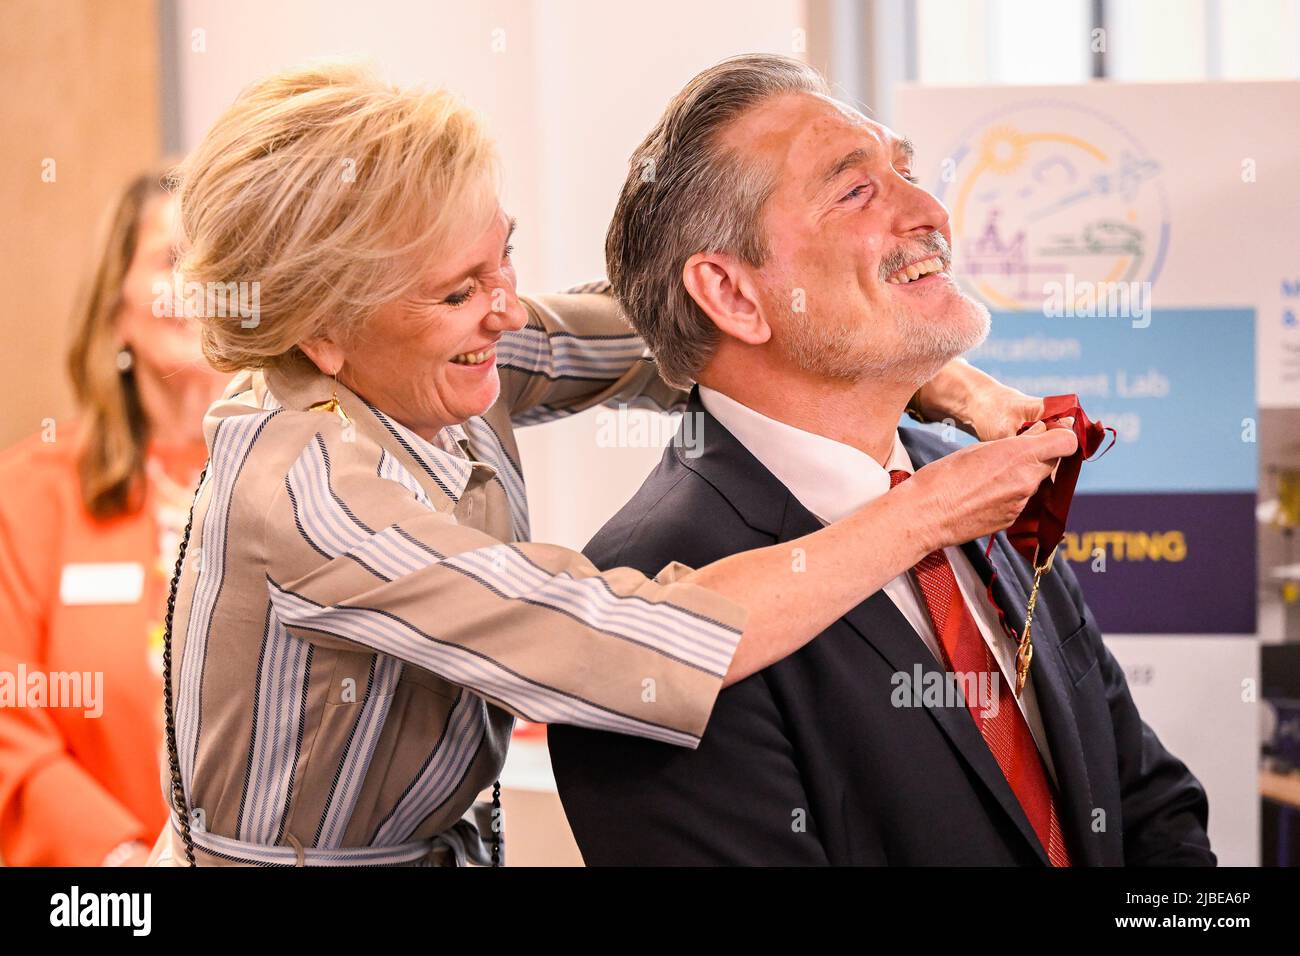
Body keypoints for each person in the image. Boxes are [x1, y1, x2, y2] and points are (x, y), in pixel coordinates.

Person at [155, 60, 1076, 867]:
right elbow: (618, 646)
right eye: (459, 291)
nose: (509, 311)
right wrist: (928, 512)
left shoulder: (426, 351)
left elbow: (679, 319)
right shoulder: (306, 495)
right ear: (323, 331)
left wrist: (930, 369)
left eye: (502, 256)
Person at [547, 54, 1214, 866]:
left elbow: (1147, 803)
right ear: (732, 294)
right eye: (855, 190)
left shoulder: (974, 482)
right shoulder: (641, 606)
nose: (932, 210)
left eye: (904, 171)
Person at [0, 170, 227, 866]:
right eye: (169, 260)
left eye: (216, 260)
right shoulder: (34, 490)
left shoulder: (297, 476)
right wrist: (122, 862)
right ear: (115, 305)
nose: (194, 284)